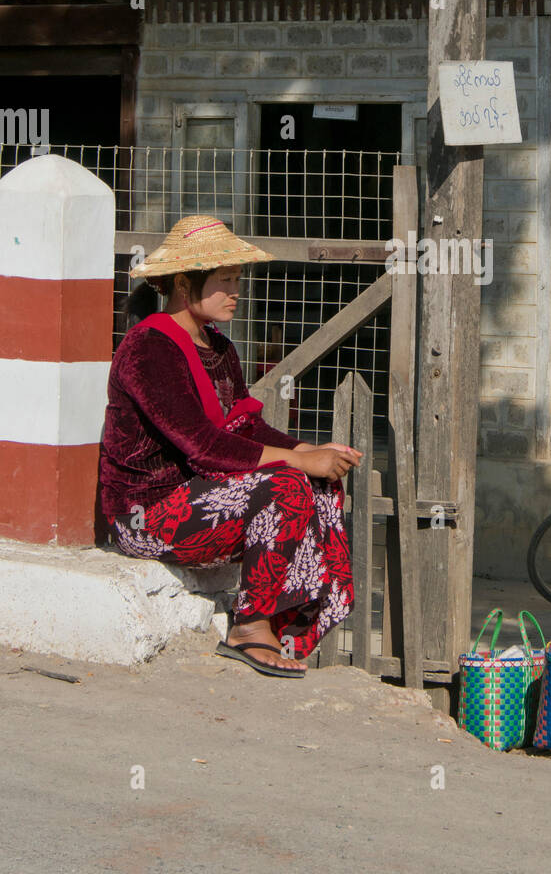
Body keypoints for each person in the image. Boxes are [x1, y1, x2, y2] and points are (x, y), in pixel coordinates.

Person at [99, 215, 362, 678]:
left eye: (238, 279)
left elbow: (242, 426)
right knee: (284, 484)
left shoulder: (218, 346)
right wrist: (297, 459)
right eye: (225, 280)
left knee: (316, 484)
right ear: (184, 282)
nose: (236, 291)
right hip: (147, 515)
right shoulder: (149, 349)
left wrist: (310, 449)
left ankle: (284, 626)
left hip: (200, 500)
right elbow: (201, 445)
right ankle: (249, 627)